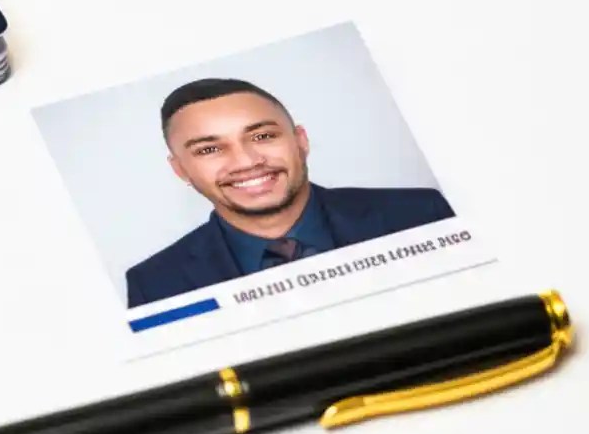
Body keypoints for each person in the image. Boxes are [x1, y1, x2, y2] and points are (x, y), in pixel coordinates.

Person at [126, 78, 454, 308]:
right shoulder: (153, 285)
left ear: (301, 141)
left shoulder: (423, 212)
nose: (246, 162)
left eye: (263, 136)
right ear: (180, 169)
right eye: (210, 149)